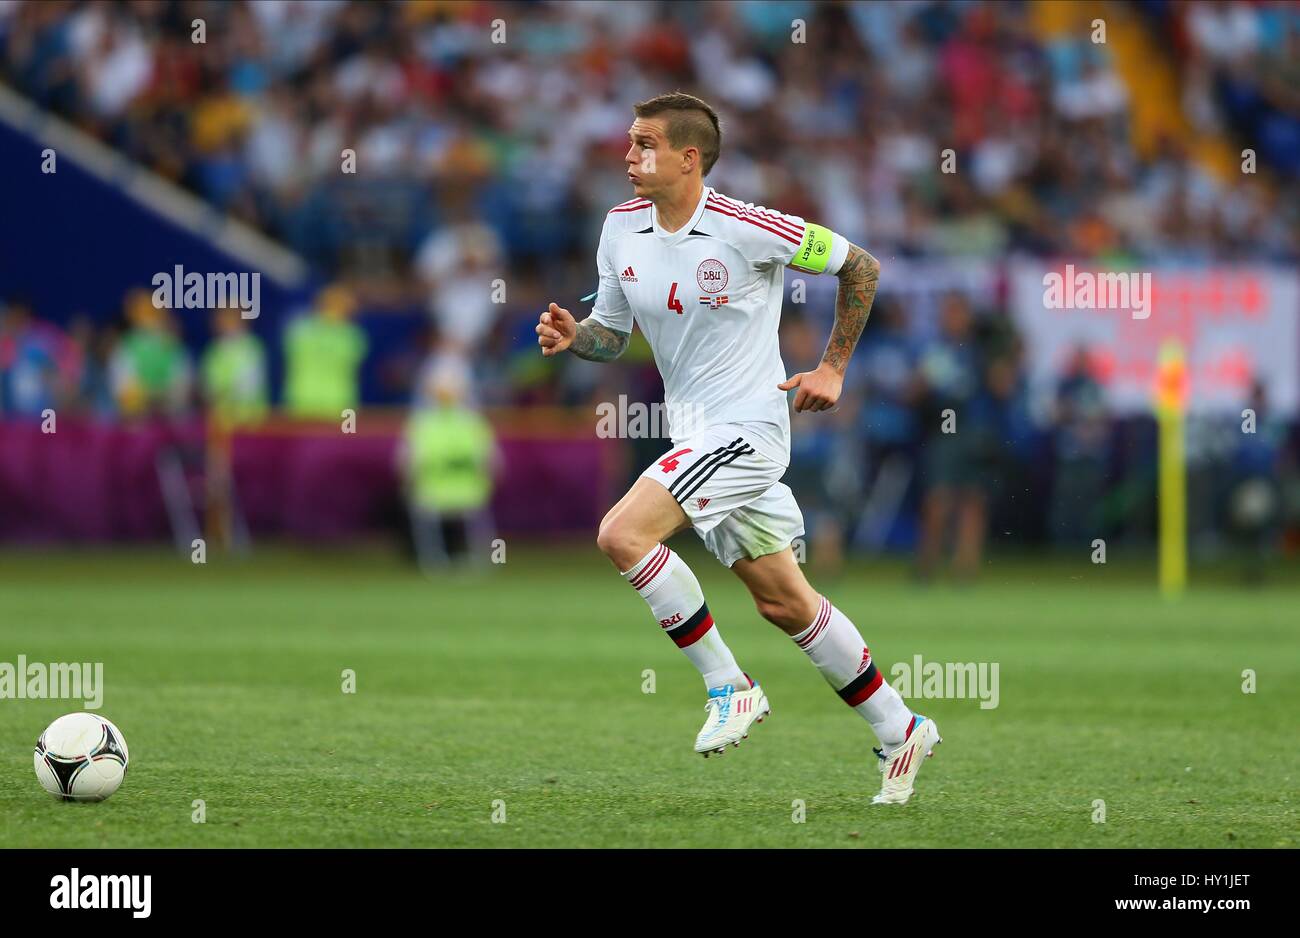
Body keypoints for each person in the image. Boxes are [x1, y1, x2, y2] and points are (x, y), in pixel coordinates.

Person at [534, 93, 941, 806]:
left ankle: (731, 686)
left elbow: (861, 267)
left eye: (644, 144)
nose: (628, 156)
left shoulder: (748, 226)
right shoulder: (620, 228)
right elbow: (612, 331)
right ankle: (901, 727)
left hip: (748, 431)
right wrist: (578, 339)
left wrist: (833, 367)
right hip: (692, 435)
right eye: (629, 143)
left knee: (621, 533)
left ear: (689, 158)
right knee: (786, 602)